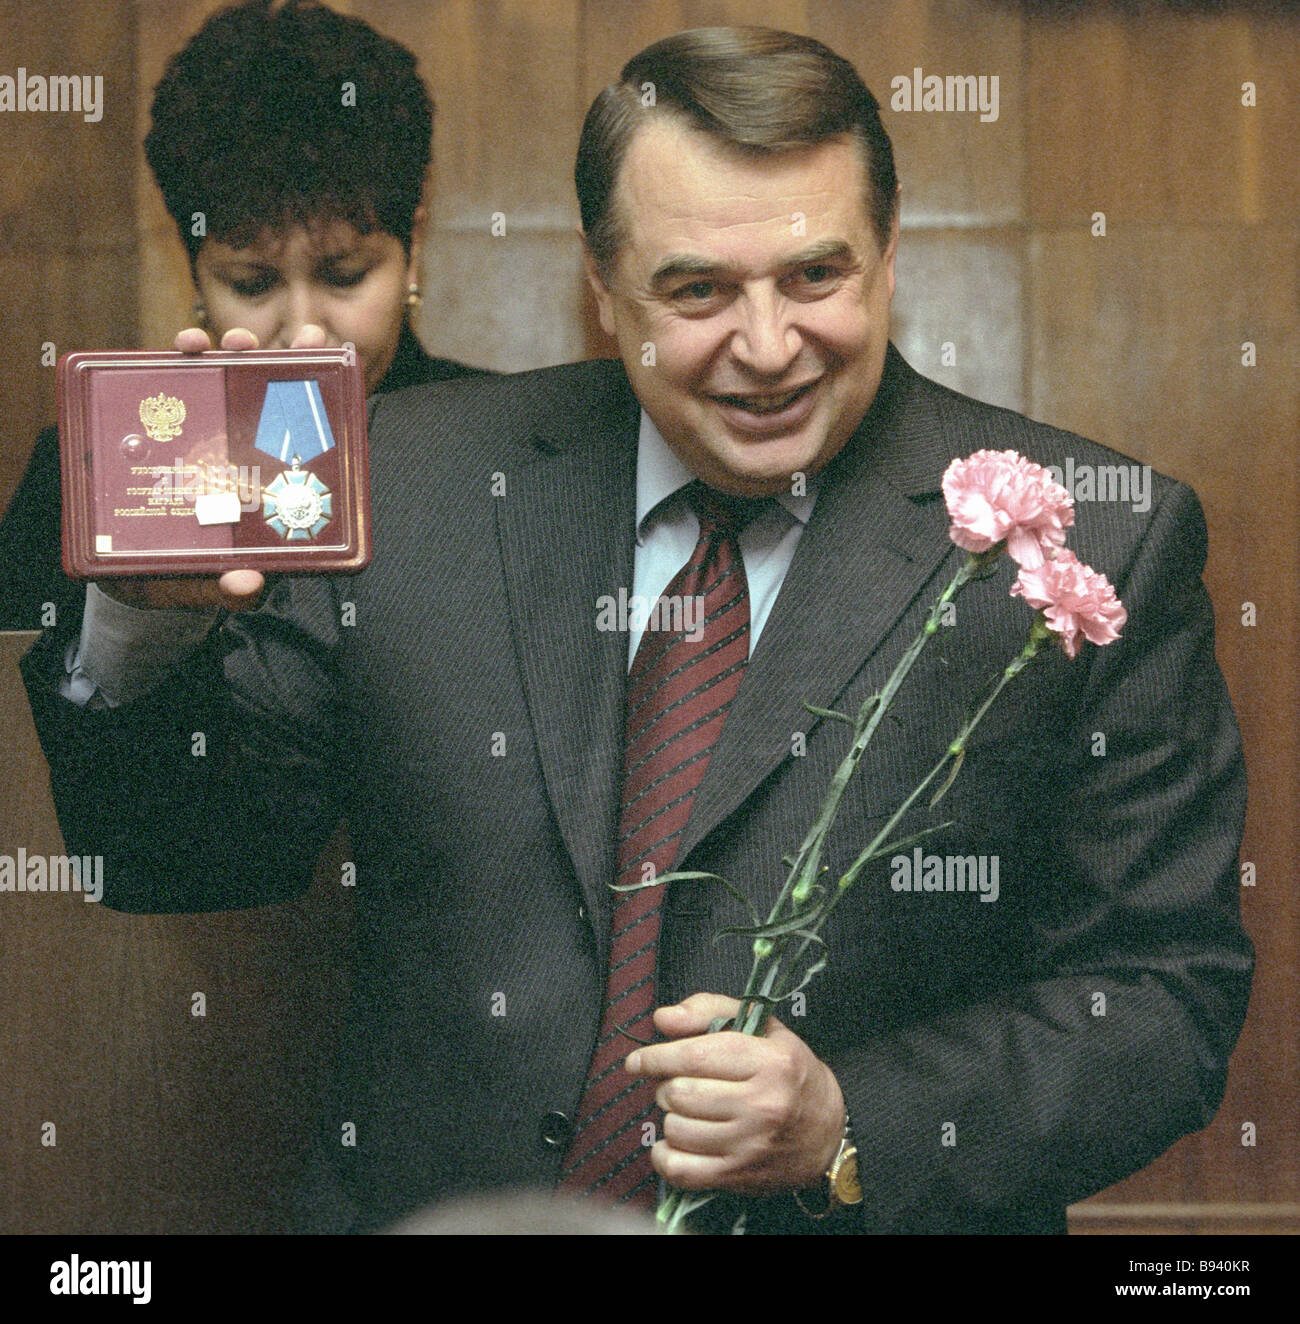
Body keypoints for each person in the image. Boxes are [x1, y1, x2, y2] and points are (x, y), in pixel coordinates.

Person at [18, 27, 1251, 1235]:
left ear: (885, 261)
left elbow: (1159, 998)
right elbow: (185, 857)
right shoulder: (402, 480)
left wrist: (850, 1121)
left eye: (814, 276)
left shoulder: (1092, 541)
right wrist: (138, 624)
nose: (767, 348)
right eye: (698, 290)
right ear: (600, 295)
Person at [0, 0, 482, 631]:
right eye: (253, 284)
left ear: (413, 251)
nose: (304, 331)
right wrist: (133, 618)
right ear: (194, 268)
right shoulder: (93, 469)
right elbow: (33, 716)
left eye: (345, 276)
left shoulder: (505, 447)